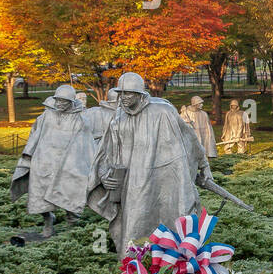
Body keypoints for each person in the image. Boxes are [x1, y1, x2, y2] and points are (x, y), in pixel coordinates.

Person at [88, 72, 217, 253]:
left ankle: (176, 264)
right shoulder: (118, 118)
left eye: (129, 94)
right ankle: (134, 269)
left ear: (140, 94)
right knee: (134, 228)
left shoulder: (163, 111)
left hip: (169, 178)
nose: (124, 98)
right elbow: (106, 152)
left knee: (175, 222)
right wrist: (103, 175)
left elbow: (190, 138)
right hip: (134, 184)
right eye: (121, 94)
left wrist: (204, 165)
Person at [10, 85, 97, 237]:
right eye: (58, 100)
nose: (60, 104)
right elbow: (34, 134)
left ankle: (72, 221)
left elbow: (86, 145)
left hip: (68, 163)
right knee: (40, 195)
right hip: (44, 161)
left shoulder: (80, 120)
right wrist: (29, 154)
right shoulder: (46, 115)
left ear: (71, 102)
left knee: (70, 191)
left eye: (64, 101)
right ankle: (48, 221)